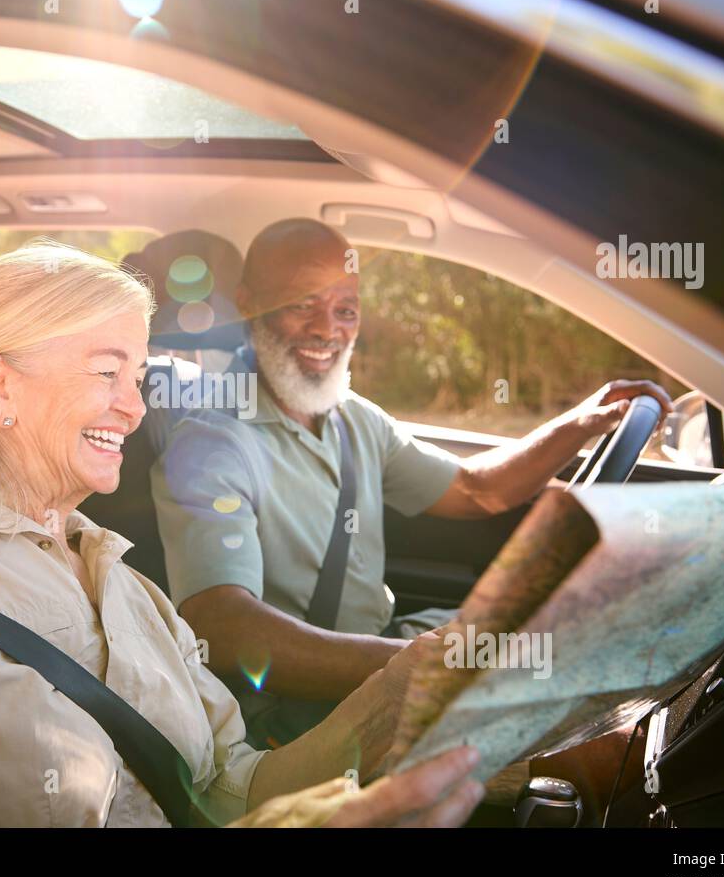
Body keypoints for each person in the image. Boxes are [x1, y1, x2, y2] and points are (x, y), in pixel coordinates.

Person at [0, 241, 484, 827]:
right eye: (107, 373)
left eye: (140, 376)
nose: (134, 409)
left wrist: (392, 699)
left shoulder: (126, 582)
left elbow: (227, 786)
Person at [149, 219, 673, 747]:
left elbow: (475, 489)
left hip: (383, 651)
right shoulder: (212, 443)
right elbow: (224, 627)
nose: (327, 330)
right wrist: (423, 669)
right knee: (593, 746)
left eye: (345, 309)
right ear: (248, 304)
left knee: (585, 635)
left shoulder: (354, 418)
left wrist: (581, 421)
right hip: (304, 718)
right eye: (301, 305)